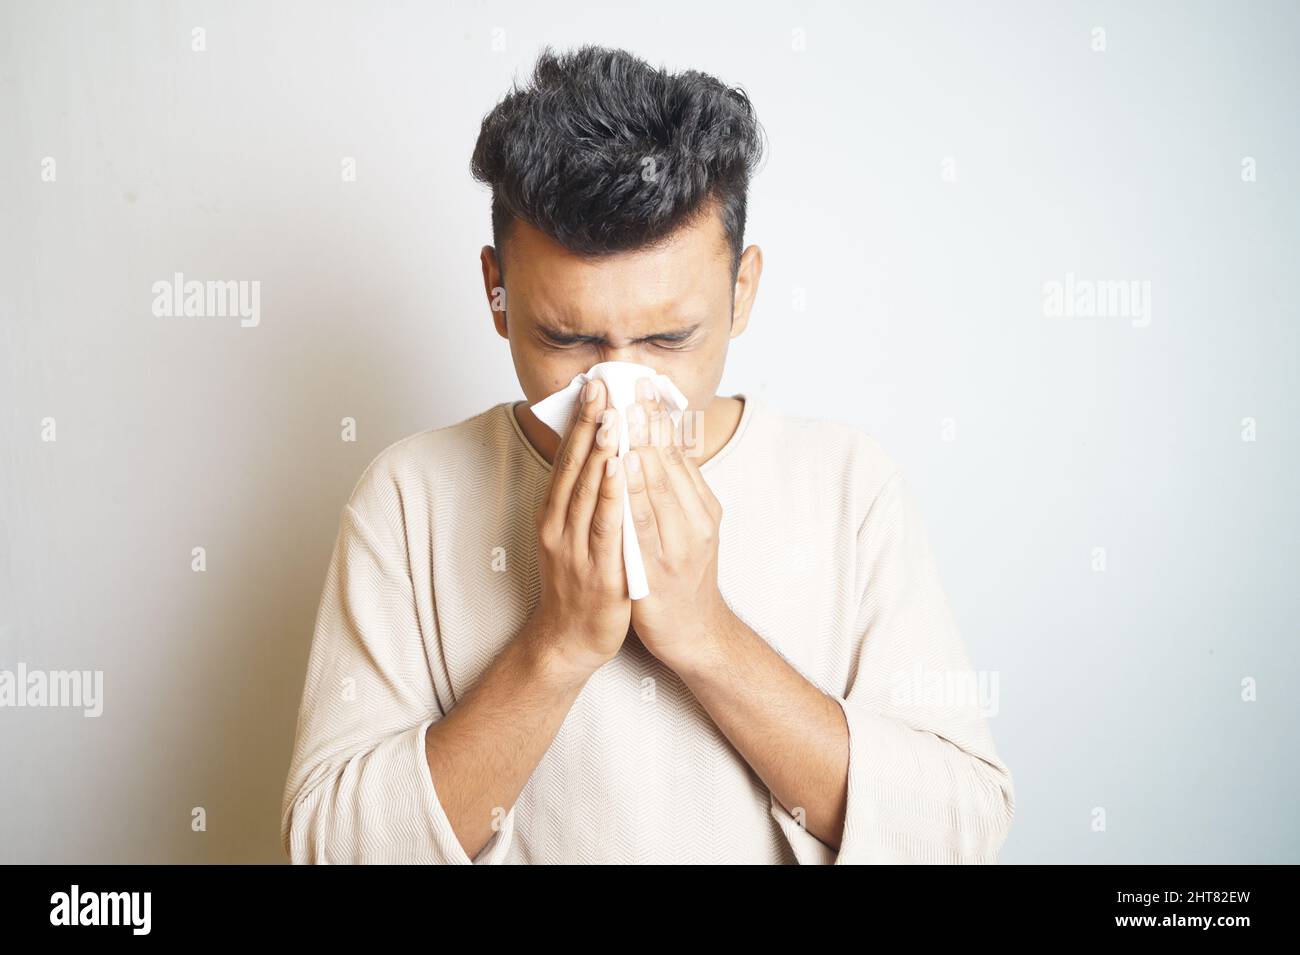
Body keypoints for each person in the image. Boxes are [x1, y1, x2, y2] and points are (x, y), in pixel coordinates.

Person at [280, 44, 1014, 864]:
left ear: (742, 291)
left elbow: (957, 831)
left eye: (669, 337)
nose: (615, 390)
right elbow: (334, 852)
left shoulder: (847, 487)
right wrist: (556, 645)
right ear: (497, 291)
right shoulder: (409, 497)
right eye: (566, 338)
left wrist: (707, 636)